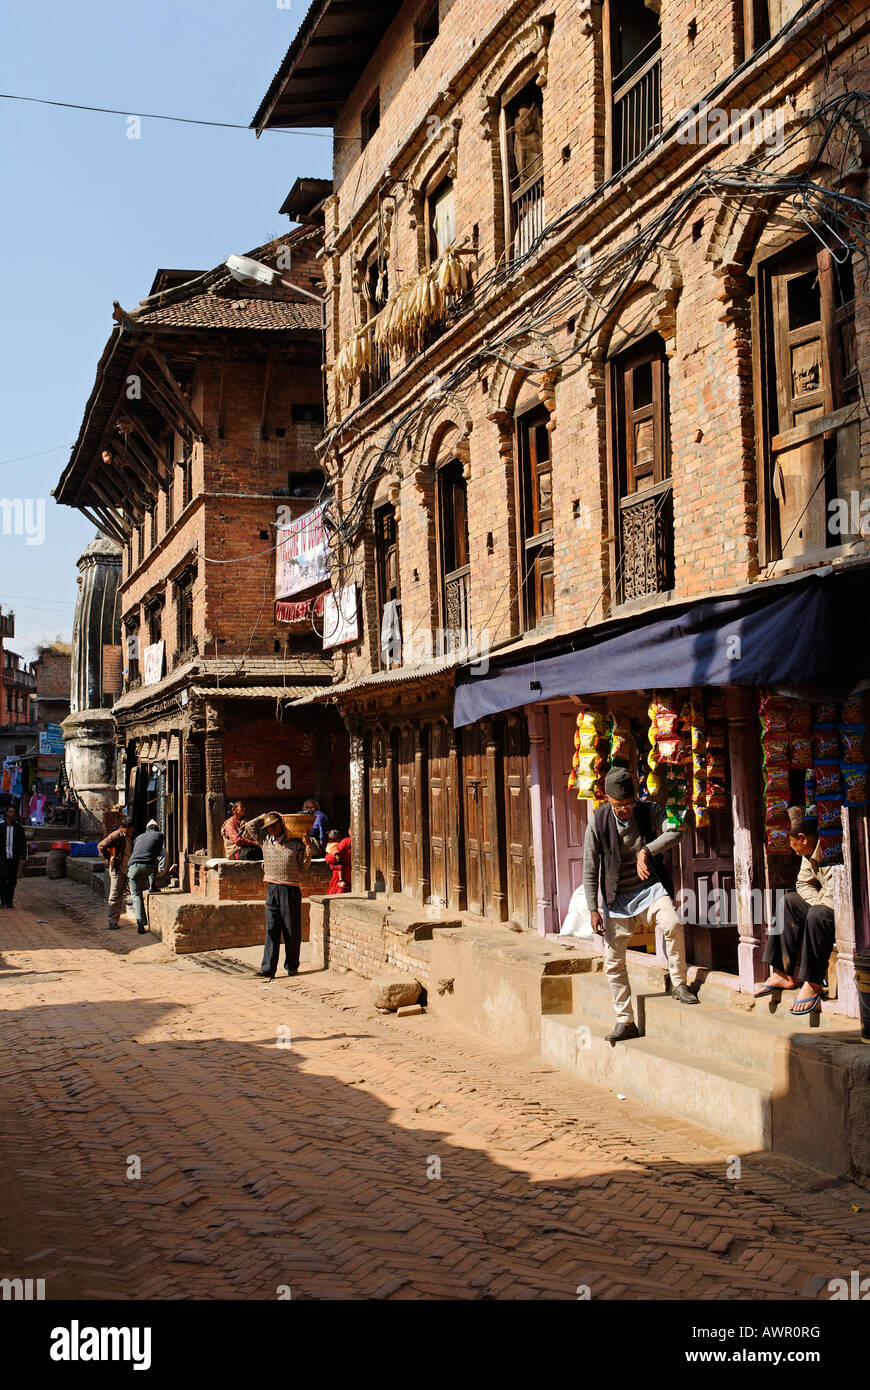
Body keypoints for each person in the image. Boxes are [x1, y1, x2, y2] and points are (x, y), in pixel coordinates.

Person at [584, 767, 698, 1044]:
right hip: (616, 897)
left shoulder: (648, 811)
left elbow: (676, 832)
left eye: (628, 804)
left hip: (650, 888)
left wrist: (647, 850)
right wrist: (593, 908)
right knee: (613, 962)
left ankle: (679, 983)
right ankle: (625, 1020)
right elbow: (590, 866)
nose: (624, 810)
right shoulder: (597, 821)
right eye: (618, 805)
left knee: (672, 923)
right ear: (607, 800)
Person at [756, 808, 835, 1016]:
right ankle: (783, 973)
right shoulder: (807, 854)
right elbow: (802, 884)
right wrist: (816, 902)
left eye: (794, 845)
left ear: (803, 838)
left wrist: (817, 906)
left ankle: (813, 983)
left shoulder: (829, 849)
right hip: (822, 904)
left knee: (817, 914)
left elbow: (837, 896)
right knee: (789, 901)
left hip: (841, 910)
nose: (794, 850)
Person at [248, 811, 306, 980]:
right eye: (268, 827)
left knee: (291, 930)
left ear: (282, 824)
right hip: (272, 888)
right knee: (271, 928)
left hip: (290, 889)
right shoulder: (265, 841)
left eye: (274, 824)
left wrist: (308, 848)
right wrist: (264, 816)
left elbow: (303, 868)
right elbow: (249, 826)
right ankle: (267, 969)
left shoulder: (296, 844)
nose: (271, 829)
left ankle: (292, 965)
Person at [127, 818, 165, 936]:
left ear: (147, 829)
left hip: (132, 868)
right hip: (148, 867)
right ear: (157, 828)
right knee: (155, 861)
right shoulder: (160, 836)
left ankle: (140, 925)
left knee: (136, 896)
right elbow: (157, 853)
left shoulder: (138, 837)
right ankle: (152, 886)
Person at [97, 815, 134, 931]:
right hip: (117, 869)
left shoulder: (129, 836)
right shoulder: (115, 835)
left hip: (126, 869)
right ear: (123, 828)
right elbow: (101, 846)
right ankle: (112, 922)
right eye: (128, 830)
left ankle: (117, 920)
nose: (130, 832)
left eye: (131, 830)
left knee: (122, 895)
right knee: (114, 896)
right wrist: (110, 858)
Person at [0, 805, 27, 909]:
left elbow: (23, 844)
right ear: (6, 813)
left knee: (12, 880)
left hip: (14, 858)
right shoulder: (1, 827)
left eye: (14, 812)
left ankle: (9, 900)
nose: (11, 814)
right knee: (2, 878)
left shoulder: (19, 829)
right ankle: (3, 899)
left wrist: (23, 857)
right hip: (3, 857)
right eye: (10, 811)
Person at [325, 829, 352, 895]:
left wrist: (327, 857)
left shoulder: (346, 842)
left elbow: (331, 858)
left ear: (349, 831)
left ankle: (340, 879)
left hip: (344, 875)